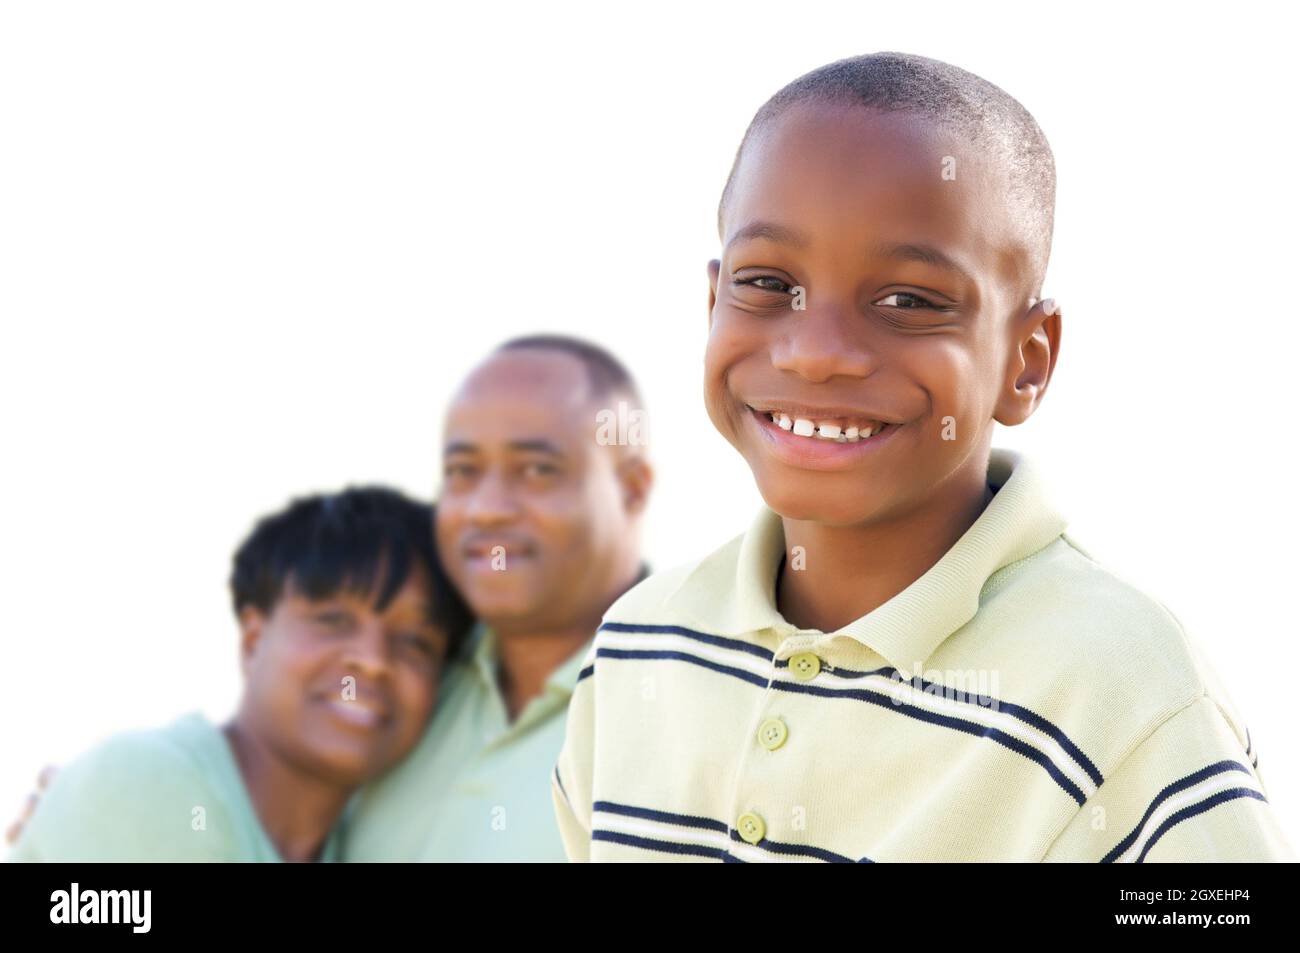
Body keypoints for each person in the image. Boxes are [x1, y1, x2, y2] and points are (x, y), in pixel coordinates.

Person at [551, 52, 1296, 862]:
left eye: (907, 300)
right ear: (711, 300)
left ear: (1028, 359)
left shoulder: (1125, 692)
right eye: (767, 283)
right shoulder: (636, 650)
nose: (816, 353)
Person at [8, 487, 472, 862]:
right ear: (253, 640)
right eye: (333, 620)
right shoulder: (151, 782)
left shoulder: (354, 844)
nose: (372, 661)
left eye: (416, 642)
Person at [342, 335, 653, 860]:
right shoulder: (395, 683)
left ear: (631, 490)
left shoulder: (696, 703)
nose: (486, 510)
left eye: (536, 470)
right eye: (463, 472)